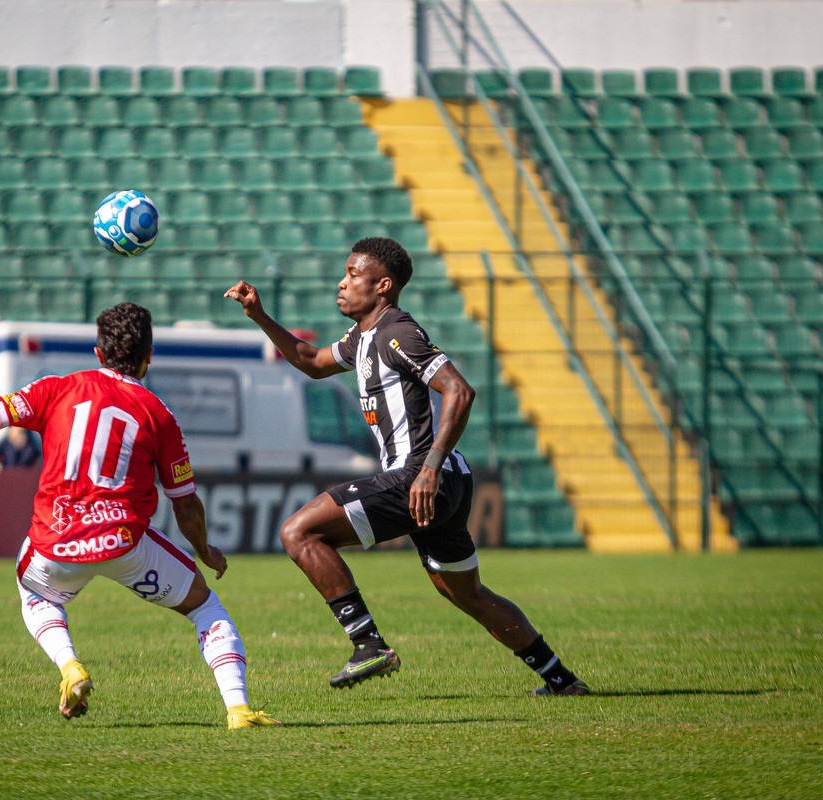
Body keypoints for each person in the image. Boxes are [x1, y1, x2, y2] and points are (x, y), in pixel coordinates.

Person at [0, 302, 281, 728]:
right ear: (149, 357)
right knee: (206, 607)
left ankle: (70, 665)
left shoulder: (56, 389)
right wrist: (204, 550)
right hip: (124, 545)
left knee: (33, 590)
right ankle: (238, 710)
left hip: (56, 544)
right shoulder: (159, 415)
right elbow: (185, 503)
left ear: (97, 353)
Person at [224, 237, 589, 696]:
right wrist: (259, 315)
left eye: (353, 275)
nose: (342, 283)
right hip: (442, 479)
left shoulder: (398, 332)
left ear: (382, 285)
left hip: (421, 473)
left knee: (299, 532)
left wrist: (429, 468)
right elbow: (312, 361)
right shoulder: (362, 338)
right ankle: (560, 679)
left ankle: (367, 644)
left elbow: (460, 391)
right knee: (468, 593)